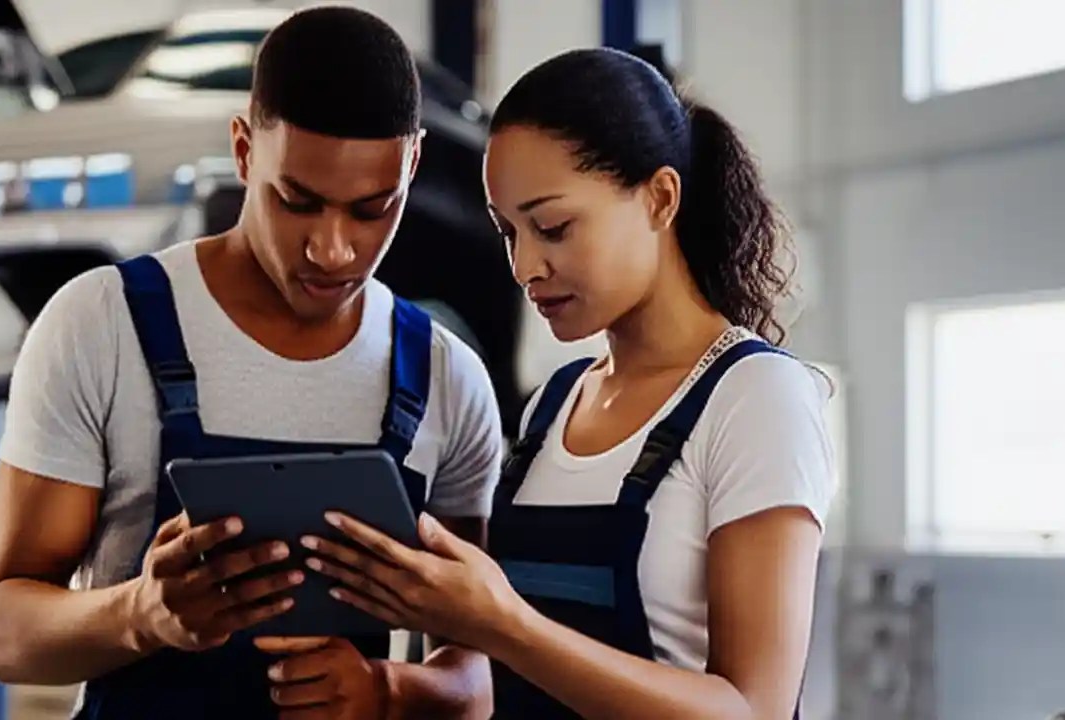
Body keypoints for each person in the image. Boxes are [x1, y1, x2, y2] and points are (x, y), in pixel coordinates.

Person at [0, 7, 500, 719]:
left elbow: (477, 669)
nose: (334, 249)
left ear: (413, 165)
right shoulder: (102, 325)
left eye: (373, 209)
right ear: (245, 151)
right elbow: (2, 631)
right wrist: (139, 614)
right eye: (298, 202)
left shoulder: (446, 379)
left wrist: (390, 691)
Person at [300, 47, 836, 719]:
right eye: (508, 233)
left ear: (659, 198)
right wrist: (390, 684)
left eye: (553, 227)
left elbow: (751, 709)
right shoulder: (553, 408)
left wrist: (503, 626)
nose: (526, 266)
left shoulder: (755, 399)